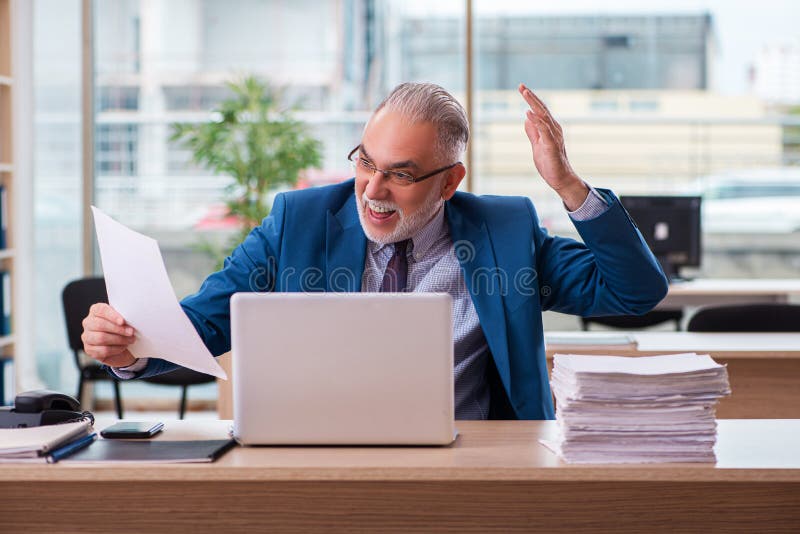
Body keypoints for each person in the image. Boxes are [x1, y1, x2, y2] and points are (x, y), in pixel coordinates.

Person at [81, 82, 668, 420]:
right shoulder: (299, 222)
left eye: (401, 174)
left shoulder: (505, 233)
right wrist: (129, 349)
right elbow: (203, 324)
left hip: (476, 463)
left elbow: (634, 291)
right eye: (365, 162)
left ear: (449, 181)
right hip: (323, 460)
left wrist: (568, 185)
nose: (373, 190)